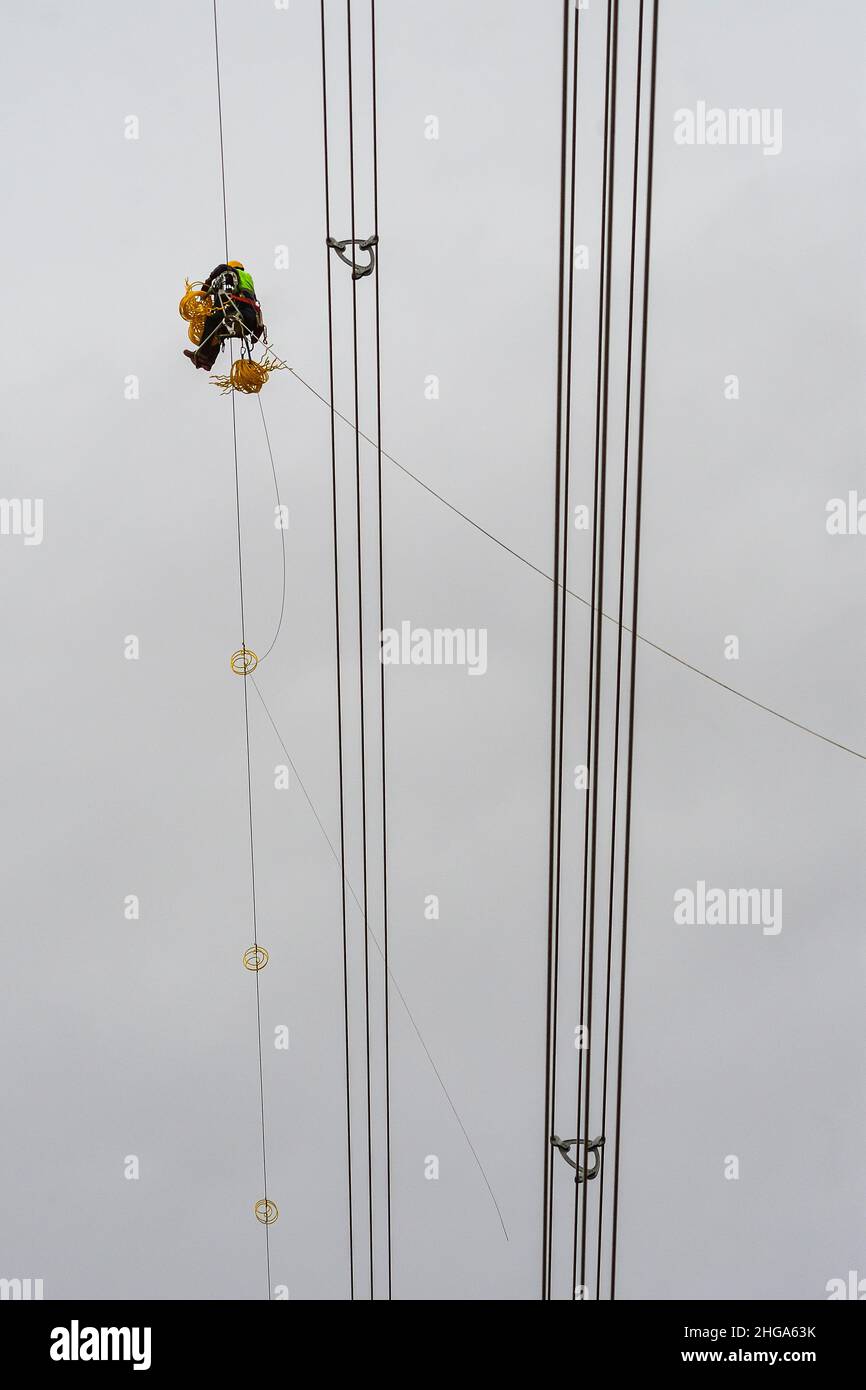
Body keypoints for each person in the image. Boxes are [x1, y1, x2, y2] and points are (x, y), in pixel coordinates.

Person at [183, 260, 263, 370]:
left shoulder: (235, 273)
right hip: (251, 320)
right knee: (218, 331)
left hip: (240, 313)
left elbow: (221, 268)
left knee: (211, 320)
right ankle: (208, 361)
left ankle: (202, 354)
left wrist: (208, 283)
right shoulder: (247, 280)